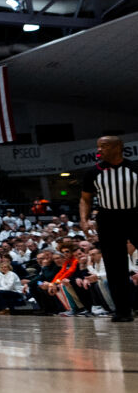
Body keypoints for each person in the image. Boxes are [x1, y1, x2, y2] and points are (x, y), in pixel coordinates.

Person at [78, 134, 137, 322]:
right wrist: (84, 219)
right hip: (108, 218)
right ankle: (123, 311)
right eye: (98, 146)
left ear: (118, 147)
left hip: (136, 214)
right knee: (114, 267)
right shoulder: (92, 172)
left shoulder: (135, 167)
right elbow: (85, 199)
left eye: (103, 146)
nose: (99, 150)